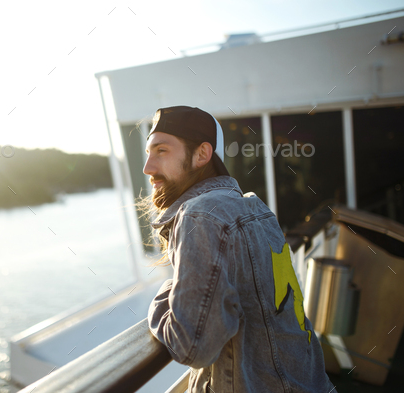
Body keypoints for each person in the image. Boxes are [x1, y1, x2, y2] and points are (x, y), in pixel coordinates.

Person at [140, 106, 335, 392]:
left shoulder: (200, 216)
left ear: (202, 155)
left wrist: (164, 295)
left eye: (162, 151)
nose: (148, 168)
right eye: (148, 153)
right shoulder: (256, 208)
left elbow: (192, 347)